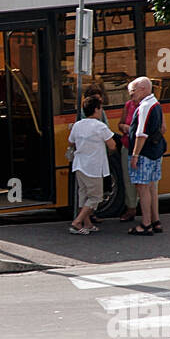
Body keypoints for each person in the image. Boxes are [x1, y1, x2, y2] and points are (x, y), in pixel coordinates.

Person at [68, 95, 117, 235]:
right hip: (94, 167)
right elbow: (112, 145)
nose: (101, 111)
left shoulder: (77, 125)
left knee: (83, 196)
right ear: (96, 109)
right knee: (95, 198)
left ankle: (87, 224)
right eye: (101, 108)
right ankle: (77, 222)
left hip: (79, 165)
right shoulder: (100, 126)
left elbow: (71, 142)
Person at [127, 76, 166, 236]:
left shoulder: (144, 107)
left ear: (143, 89)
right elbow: (163, 128)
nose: (131, 97)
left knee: (142, 188)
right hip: (155, 152)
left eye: (132, 92)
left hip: (144, 154)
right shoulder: (156, 103)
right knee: (152, 187)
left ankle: (146, 224)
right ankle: (156, 221)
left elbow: (140, 133)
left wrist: (135, 154)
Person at [113, 80, 141, 222]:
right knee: (128, 179)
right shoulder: (128, 105)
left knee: (144, 181)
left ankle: (148, 213)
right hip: (127, 146)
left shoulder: (147, 107)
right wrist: (124, 127)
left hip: (142, 149)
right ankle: (131, 208)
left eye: (132, 93)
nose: (131, 96)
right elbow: (120, 123)